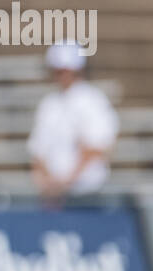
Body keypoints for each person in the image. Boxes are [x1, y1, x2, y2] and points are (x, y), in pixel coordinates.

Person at [28, 39, 119, 201]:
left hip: (87, 194)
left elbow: (97, 147)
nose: (61, 75)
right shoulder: (49, 104)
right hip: (54, 195)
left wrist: (67, 181)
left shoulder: (93, 100)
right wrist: (50, 183)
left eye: (65, 70)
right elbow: (38, 151)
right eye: (58, 70)